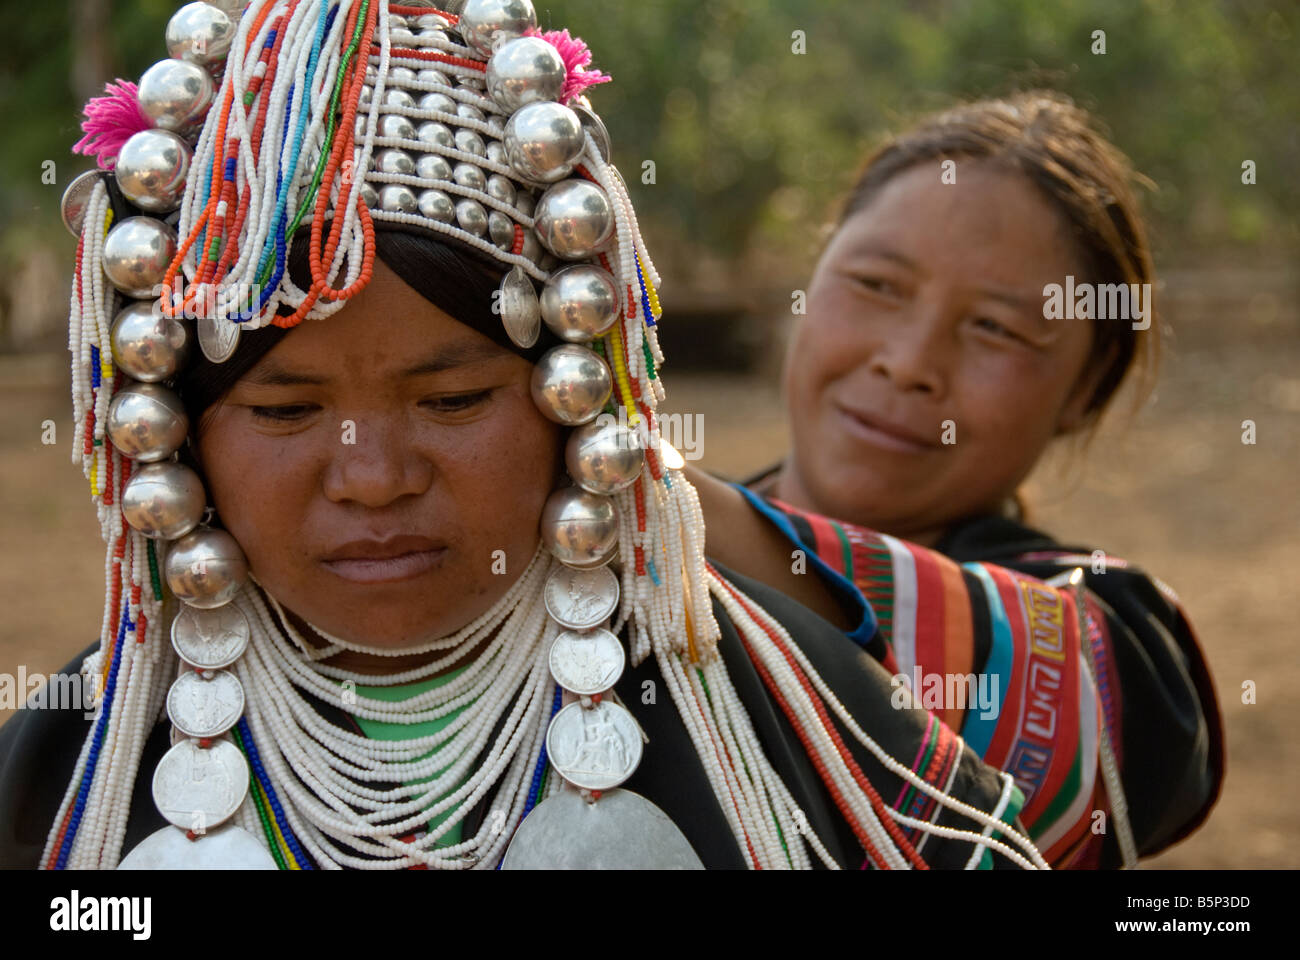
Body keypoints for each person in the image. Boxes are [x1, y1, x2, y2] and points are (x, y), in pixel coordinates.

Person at [0, 0, 1048, 871]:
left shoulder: (770, 709)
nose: (373, 478)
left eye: (452, 401)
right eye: (282, 410)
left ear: (572, 399)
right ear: (174, 439)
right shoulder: (67, 772)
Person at [689, 92, 1224, 868]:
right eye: (875, 284)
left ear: (1084, 391)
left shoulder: (1120, 650)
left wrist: (637, 499)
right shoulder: (613, 567)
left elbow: (1068, 712)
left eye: (995, 329)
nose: (909, 363)